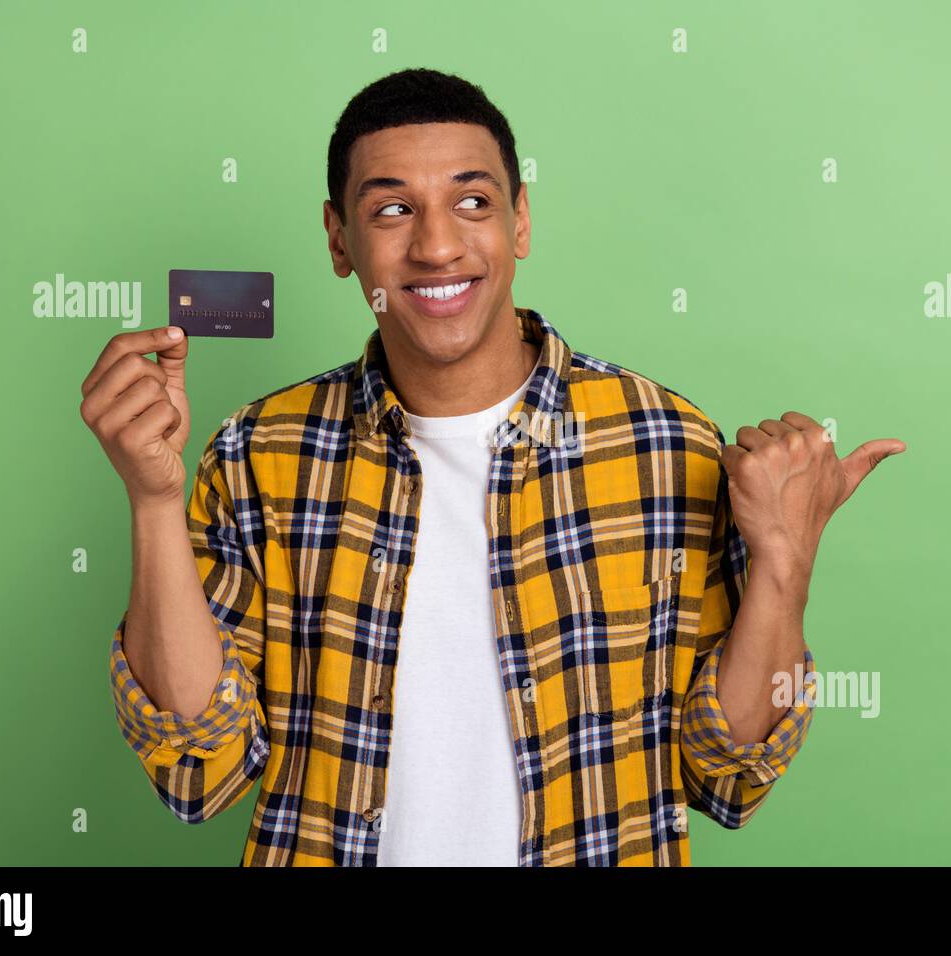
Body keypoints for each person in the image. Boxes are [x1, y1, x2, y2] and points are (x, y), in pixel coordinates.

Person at [79, 67, 905, 866]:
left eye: (472, 202)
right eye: (393, 209)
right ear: (339, 240)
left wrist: (785, 566)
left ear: (520, 223)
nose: (437, 246)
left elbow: (726, 776)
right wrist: (153, 499)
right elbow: (198, 770)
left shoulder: (669, 445)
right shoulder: (259, 454)